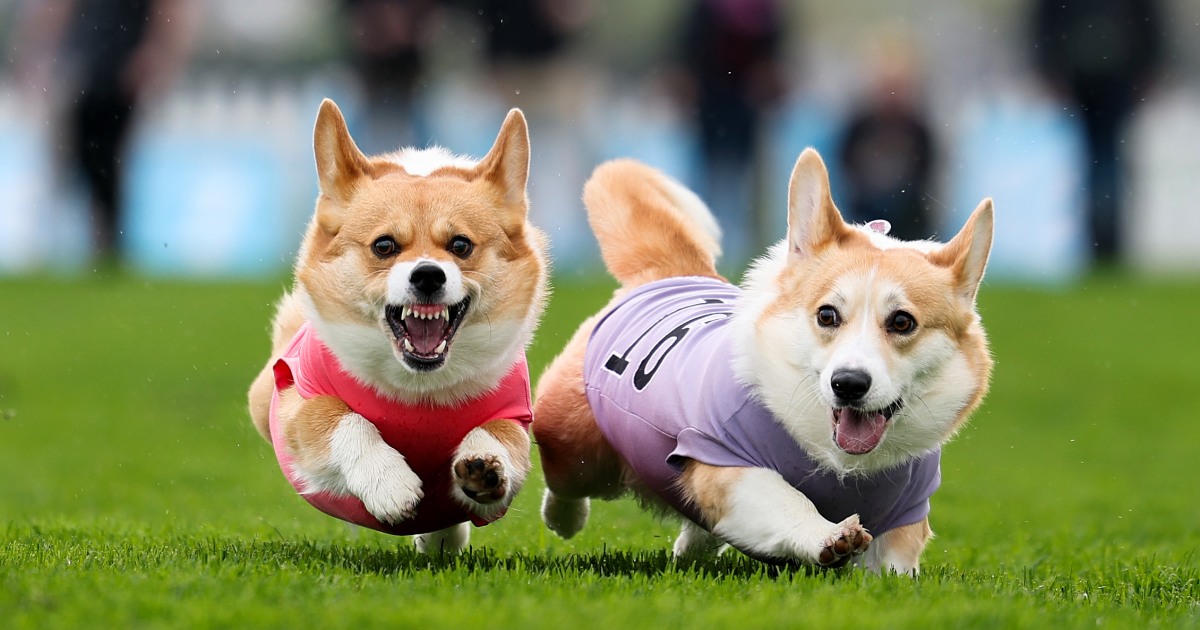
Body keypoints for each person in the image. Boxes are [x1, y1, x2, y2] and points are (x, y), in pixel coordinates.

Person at [13, 0, 197, 263]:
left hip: (119, 71)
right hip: (86, 66)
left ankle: (106, 245)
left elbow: (170, 12)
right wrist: (40, 51)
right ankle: (82, 243)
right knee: (84, 158)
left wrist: (156, 55)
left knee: (107, 161)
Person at [1030, 0, 1165, 264]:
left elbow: (1044, 23)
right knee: (1108, 160)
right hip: (1118, 76)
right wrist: (1149, 68)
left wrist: (1050, 68)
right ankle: (1107, 241)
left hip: (1082, 76)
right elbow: (1151, 23)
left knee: (1094, 161)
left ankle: (1099, 241)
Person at [672, 0, 787, 267]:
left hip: (747, 109)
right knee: (708, 181)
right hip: (710, 106)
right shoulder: (706, 10)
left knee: (743, 185)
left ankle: (737, 252)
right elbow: (688, 51)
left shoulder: (765, 11)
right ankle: (703, 248)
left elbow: (773, 57)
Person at [836, 31, 935, 242]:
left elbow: (927, 172)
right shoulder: (859, 126)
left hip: (908, 216)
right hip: (866, 211)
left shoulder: (916, 128)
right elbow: (846, 167)